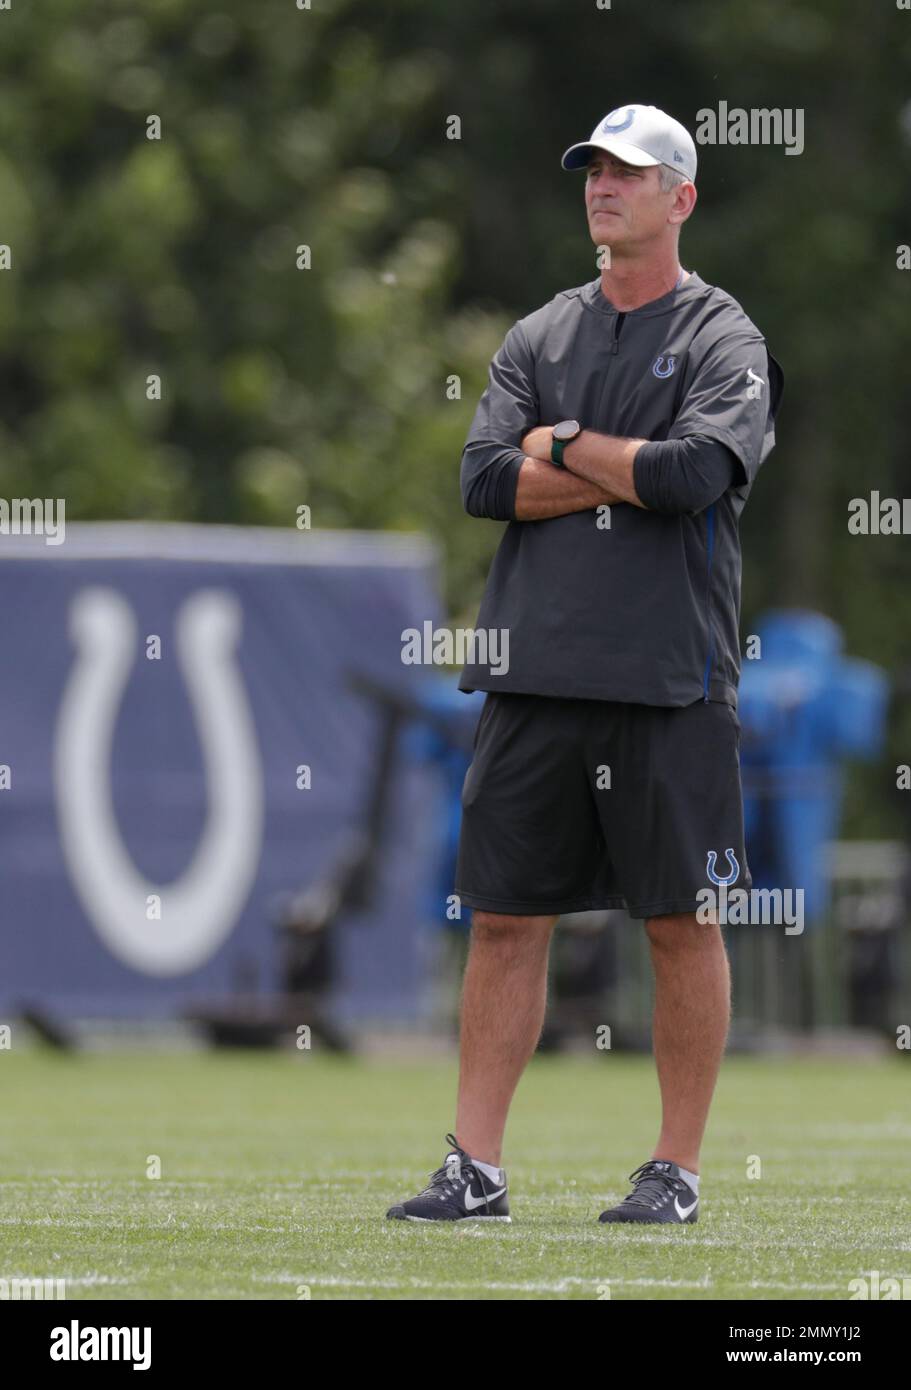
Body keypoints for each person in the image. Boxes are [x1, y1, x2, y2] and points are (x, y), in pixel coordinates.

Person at [387, 104, 783, 1225]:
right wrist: (618, 464)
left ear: (680, 198)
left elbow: (692, 476)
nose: (603, 187)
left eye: (629, 172)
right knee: (504, 918)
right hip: (531, 671)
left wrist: (558, 445)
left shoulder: (722, 337)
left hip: (668, 680)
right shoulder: (537, 335)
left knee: (678, 921)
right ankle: (474, 1167)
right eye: (593, 171)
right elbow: (480, 481)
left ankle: (675, 1171)